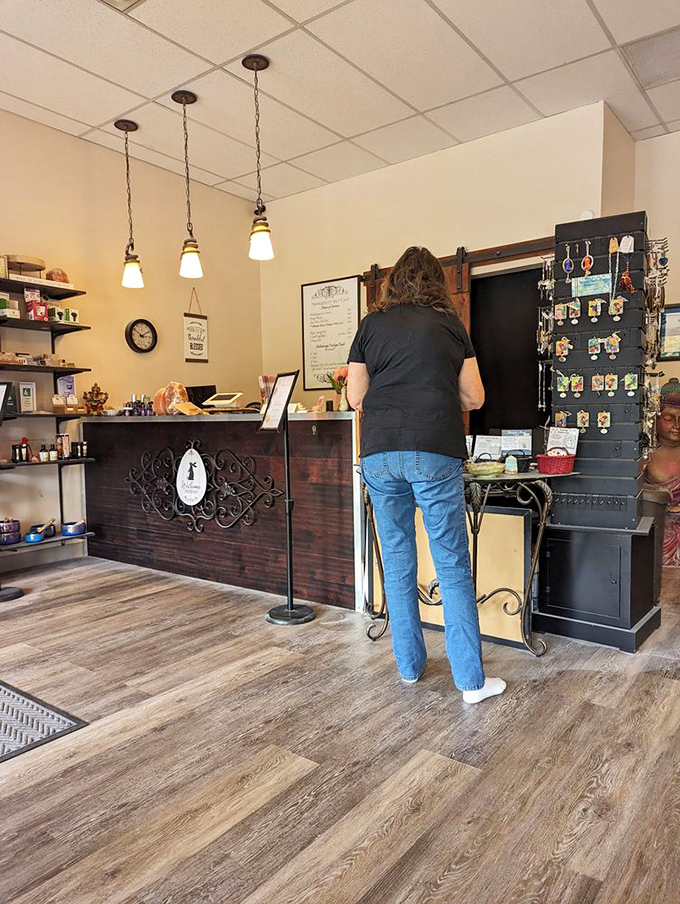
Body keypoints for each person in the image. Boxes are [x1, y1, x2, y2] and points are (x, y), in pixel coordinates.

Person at [347, 246, 505, 705]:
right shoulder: (450, 325)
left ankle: (409, 668)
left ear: (392, 282)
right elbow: (474, 397)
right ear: (438, 281)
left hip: (379, 453)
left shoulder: (370, 326)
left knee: (397, 561)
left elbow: (356, 396)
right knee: (451, 563)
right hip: (435, 448)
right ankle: (471, 683)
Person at [645, 377, 680, 566]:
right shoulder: (646, 454)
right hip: (660, 522)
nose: (677, 424)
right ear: (656, 418)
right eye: (668, 418)